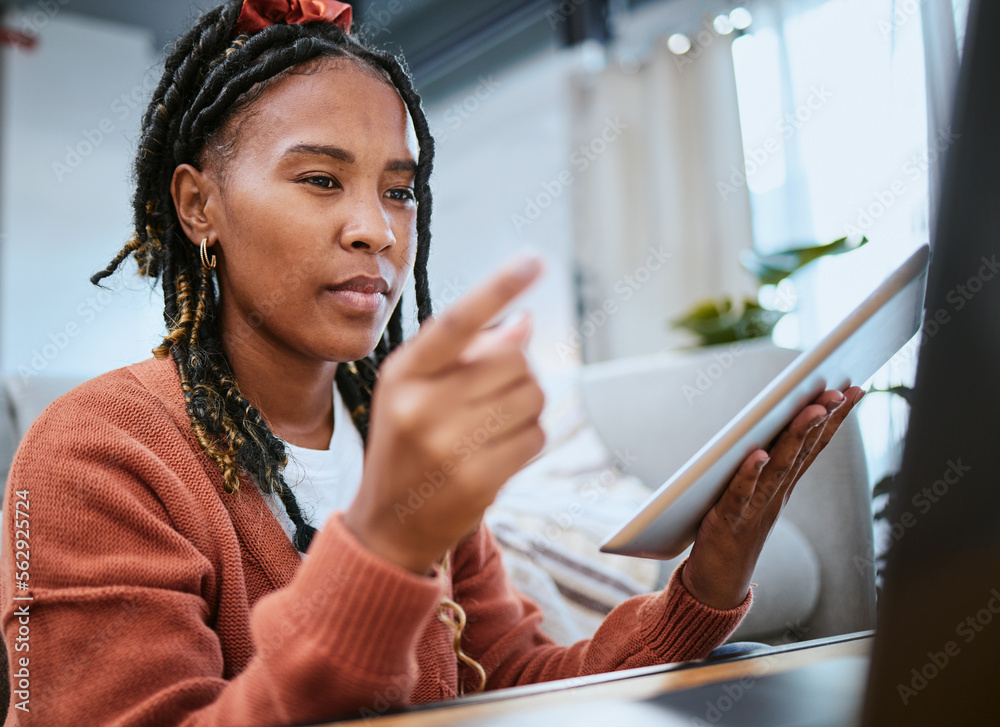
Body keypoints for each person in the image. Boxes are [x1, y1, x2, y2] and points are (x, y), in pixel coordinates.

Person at [0, 1, 863, 724]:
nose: (377, 228)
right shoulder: (95, 452)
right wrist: (385, 548)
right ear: (198, 205)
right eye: (320, 179)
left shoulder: (393, 428)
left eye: (400, 189)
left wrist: (704, 586)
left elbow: (513, 679)